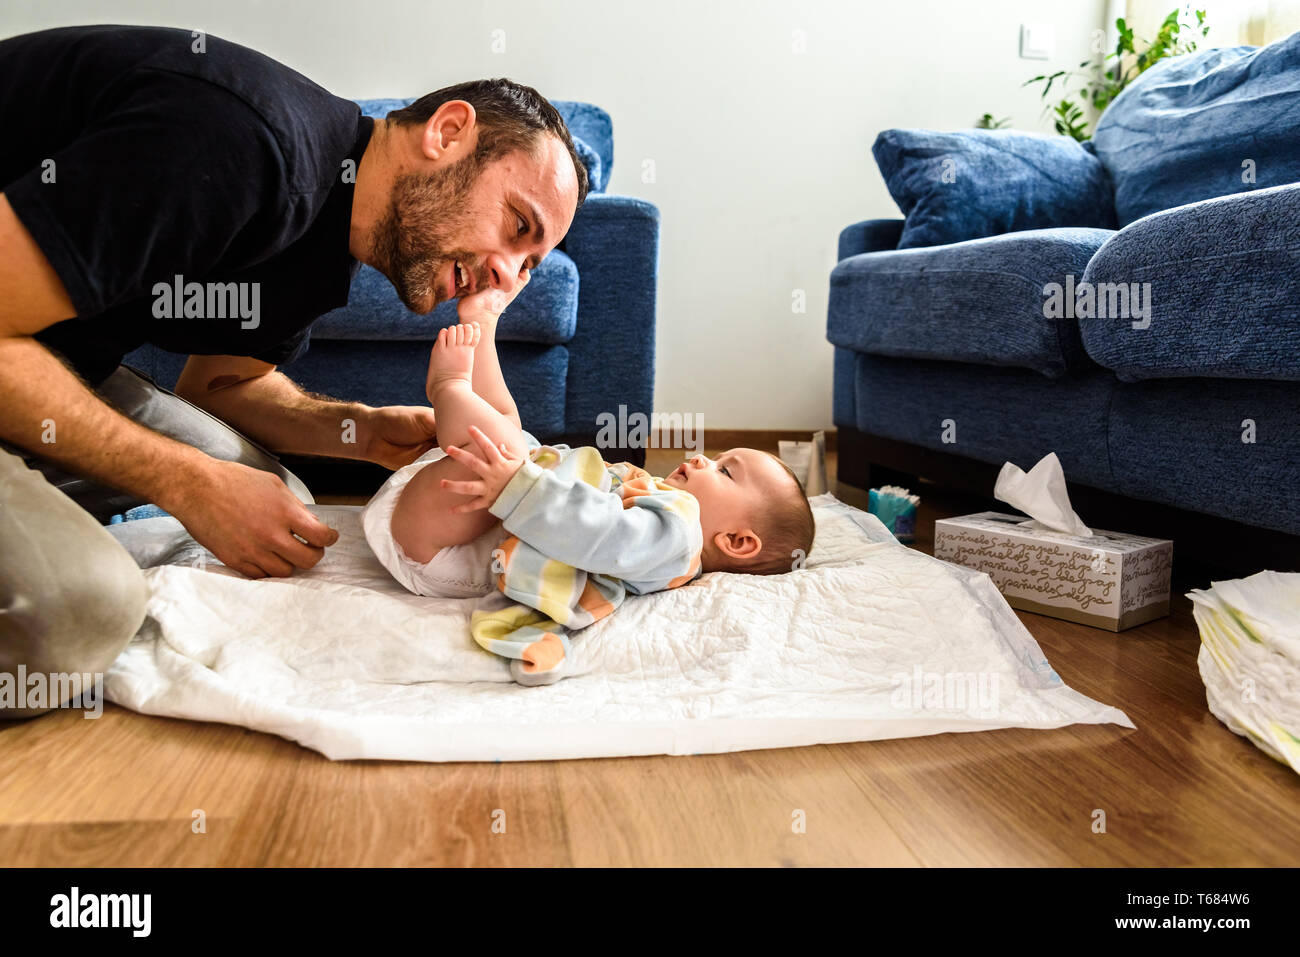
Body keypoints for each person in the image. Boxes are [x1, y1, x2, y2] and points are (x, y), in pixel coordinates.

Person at [0, 24, 588, 715]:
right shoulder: (243, 144)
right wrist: (184, 479)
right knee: (75, 614)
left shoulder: (332, 228)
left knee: (278, 499)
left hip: (40, 346)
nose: (505, 277)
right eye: (517, 227)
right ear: (448, 132)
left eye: (528, 266)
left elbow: (222, 388)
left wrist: (361, 431)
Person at [362, 313, 816, 684]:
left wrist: (519, 487)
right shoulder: (657, 507)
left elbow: (603, 533)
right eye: (716, 456)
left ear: (737, 541)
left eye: (724, 470)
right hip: (454, 511)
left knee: (507, 447)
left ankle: (447, 387)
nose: (700, 458)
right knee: (515, 434)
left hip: (445, 546)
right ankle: (483, 324)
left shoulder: (677, 540)